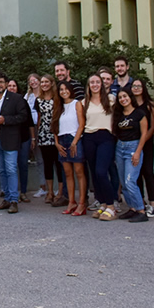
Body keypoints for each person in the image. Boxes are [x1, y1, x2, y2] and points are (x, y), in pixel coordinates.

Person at [0, 73, 31, 214]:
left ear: (6, 83)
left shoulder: (16, 99)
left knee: (11, 169)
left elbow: (23, 116)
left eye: (1, 82)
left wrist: (6, 120)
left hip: (10, 140)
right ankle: (7, 198)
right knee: (2, 170)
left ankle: (14, 200)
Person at [111, 89, 151, 223]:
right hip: (120, 147)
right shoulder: (118, 114)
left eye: (125, 96)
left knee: (130, 180)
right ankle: (132, 208)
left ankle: (141, 210)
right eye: (120, 97)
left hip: (133, 148)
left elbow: (144, 134)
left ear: (130, 97)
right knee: (123, 182)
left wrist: (138, 152)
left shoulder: (140, 113)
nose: (123, 99)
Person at [81, 74, 116, 219]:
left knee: (102, 171)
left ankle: (111, 205)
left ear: (101, 84)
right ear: (88, 86)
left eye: (97, 82)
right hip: (89, 137)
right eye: (91, 82)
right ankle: (102, 203)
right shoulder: (84, 103)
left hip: (105, 137)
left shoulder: (111, 99)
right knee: (94, 173)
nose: (95, 85)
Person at [56, 80, 86, 214]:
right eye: (61, 89)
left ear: (70, 90)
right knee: (68, 173)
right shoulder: (58, 106)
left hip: (74, 139)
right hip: (62, 140)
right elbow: (55, 127)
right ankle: (71, 202)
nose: (63, 91)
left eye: (65, 89)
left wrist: (75, 141)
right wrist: (56, 143)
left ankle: (81, 203)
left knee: (79, 172)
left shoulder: (77, 104)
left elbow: (81, 124)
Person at [131, 78, 154, 217]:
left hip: (146, 144)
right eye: (134, 86)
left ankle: (152, 204)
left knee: (148, 171)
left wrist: (143, 140)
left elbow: (153, 126)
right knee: (137, 174)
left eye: (139, 86)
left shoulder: (150, 105)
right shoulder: (130, 104)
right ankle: (140, 201)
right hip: (133, 143)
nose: (136, 88)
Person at [34, 75, 62, 205]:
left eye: (46, 82)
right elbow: (39, 118)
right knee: (47, 163)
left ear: (51, 83)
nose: (44, 84)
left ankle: (60, 192)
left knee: (59, 163)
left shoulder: (58, 98)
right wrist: (37, 135)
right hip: (44, 133)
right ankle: (50, 192)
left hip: (57, 132)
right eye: (42, 82)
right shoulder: (38, 100)